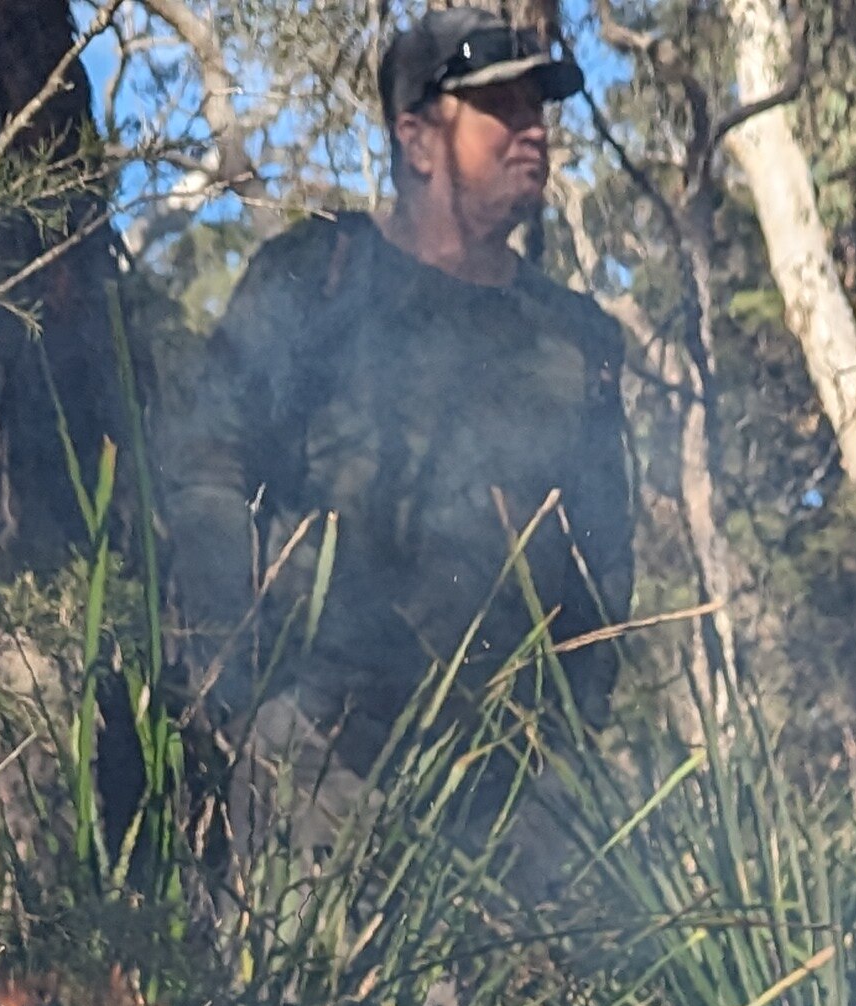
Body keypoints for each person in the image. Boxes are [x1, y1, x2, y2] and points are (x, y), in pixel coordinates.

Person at [163, 12, 636, 792]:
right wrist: (246, 702)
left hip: (508, 781)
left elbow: (601, 557)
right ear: (415, 138)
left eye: (538, 110)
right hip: (317, 761)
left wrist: (571, 729)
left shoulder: (577, 337)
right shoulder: (315, 274)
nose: (534, 133)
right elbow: (208, 469)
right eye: (500, 110)